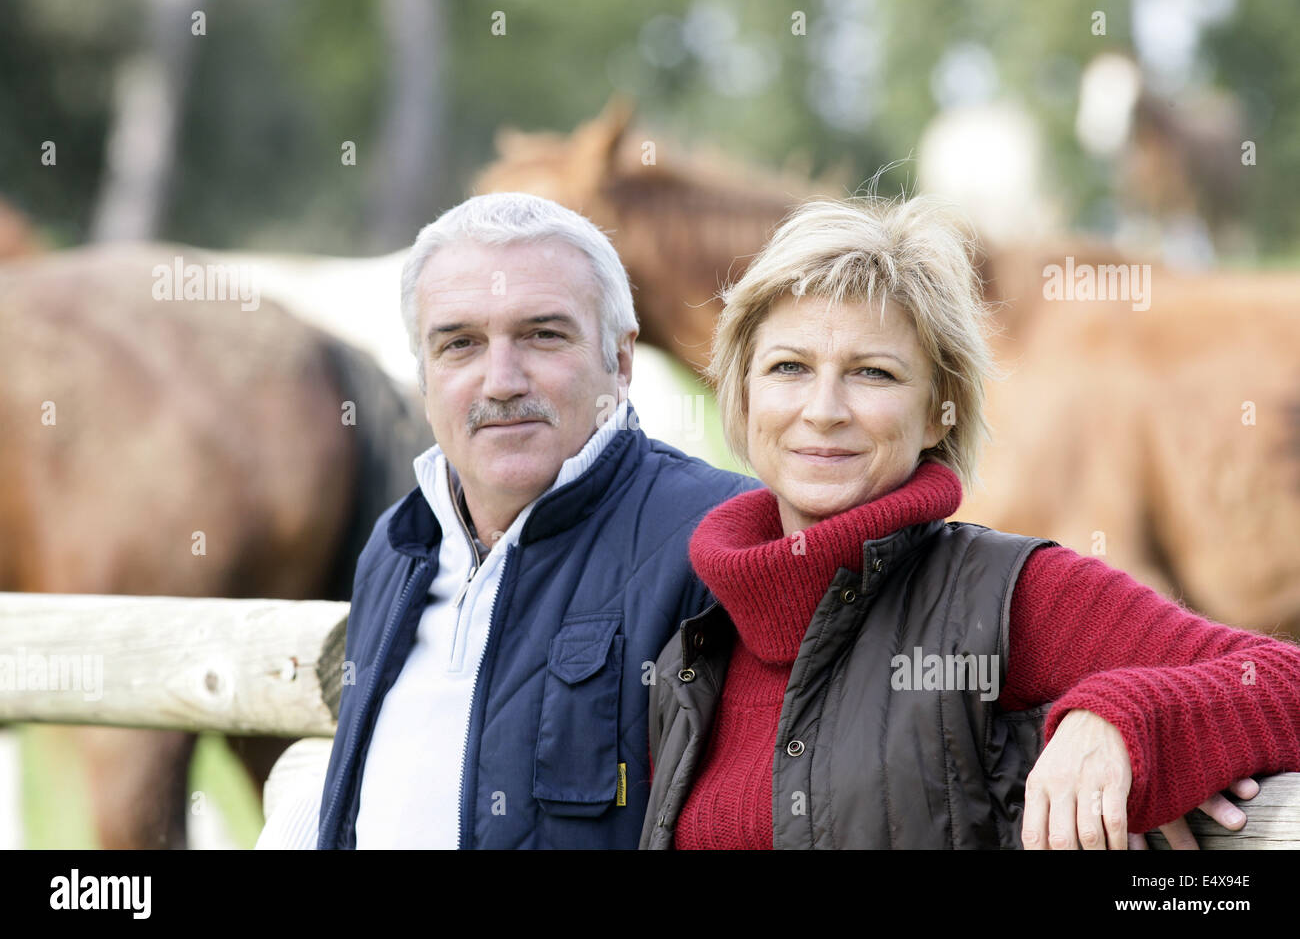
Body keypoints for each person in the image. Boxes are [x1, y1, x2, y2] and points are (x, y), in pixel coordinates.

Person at [640, 194, 1300, 850]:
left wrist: (1124, 719)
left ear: (938, 413)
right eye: (789, 367)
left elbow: (1281, 679)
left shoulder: (1004, 595)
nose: (823, 409)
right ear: (743, 394)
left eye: (873, 373)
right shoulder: (691, 661)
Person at [257, 192, 754, 849]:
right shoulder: (399, 545)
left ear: (621, 359)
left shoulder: (719, 538)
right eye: (460, 344)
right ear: (424, 377)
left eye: (543, 335)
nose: (500, 381)